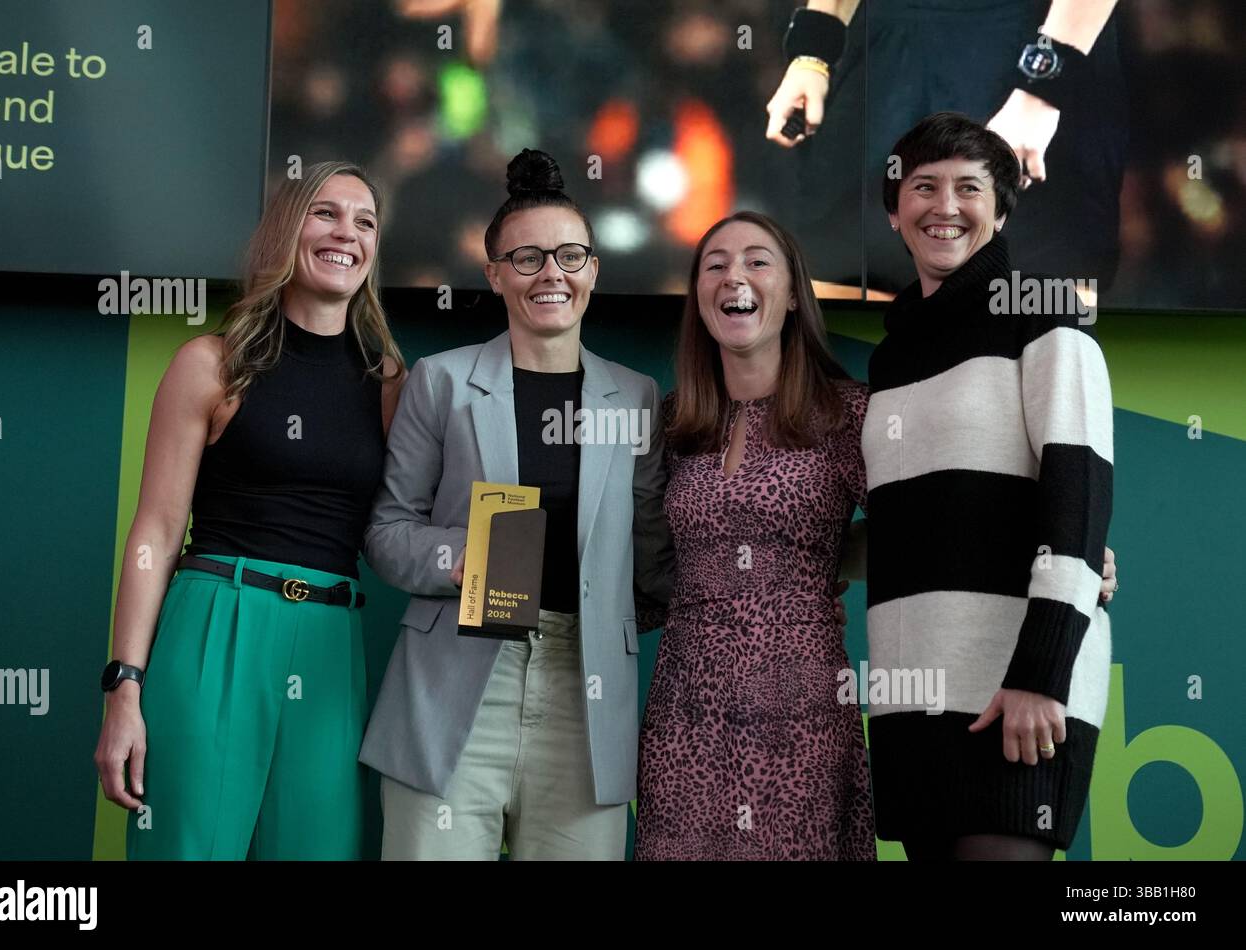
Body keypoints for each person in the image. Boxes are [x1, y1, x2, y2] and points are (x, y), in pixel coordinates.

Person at [359, 148, 675, 860]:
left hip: (585, 686)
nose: (551, 274)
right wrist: (458, 555)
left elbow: (655, 552)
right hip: (457, 679)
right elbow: (386, 529)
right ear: (494, 272)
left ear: (594, 267)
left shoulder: (637, 397)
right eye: (526, 258)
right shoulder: (439, 382)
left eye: (569, 255)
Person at [94, 161, 405, 859]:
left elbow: (409, 528)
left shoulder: (390, 381)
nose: (345, 233)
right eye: (325, 213)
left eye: (364, 221)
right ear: (286, 229)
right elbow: (158, 531)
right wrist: (124, 687)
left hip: (332, 645)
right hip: (216, 626)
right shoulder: (212, 362)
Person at [863, 112, 1114, 859]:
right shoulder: (893, 356)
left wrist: (1039, 676)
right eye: (924, 186)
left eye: (969, 188)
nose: (945, 206)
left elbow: (1080, 497)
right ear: (894, 210)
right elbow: (919, 519)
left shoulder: (1043, 310)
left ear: (1000, 210)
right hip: (913, 693)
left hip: (1017, 687)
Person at [634, 211, 876, 860]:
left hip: (800, 710)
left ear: (795, 293)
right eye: (714, 264)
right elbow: (638, 559)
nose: (733, 275)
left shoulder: (849, 413)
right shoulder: (672, 422)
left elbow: (927, 523)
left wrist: (1055, 552)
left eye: (756, 261)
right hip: (683, 718)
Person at [765, 0, 1126, 295]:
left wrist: (1043, 84)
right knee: (845, 348)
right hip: (882, 60)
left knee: (1028, 354)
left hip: (1028, 56)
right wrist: (811, 54)